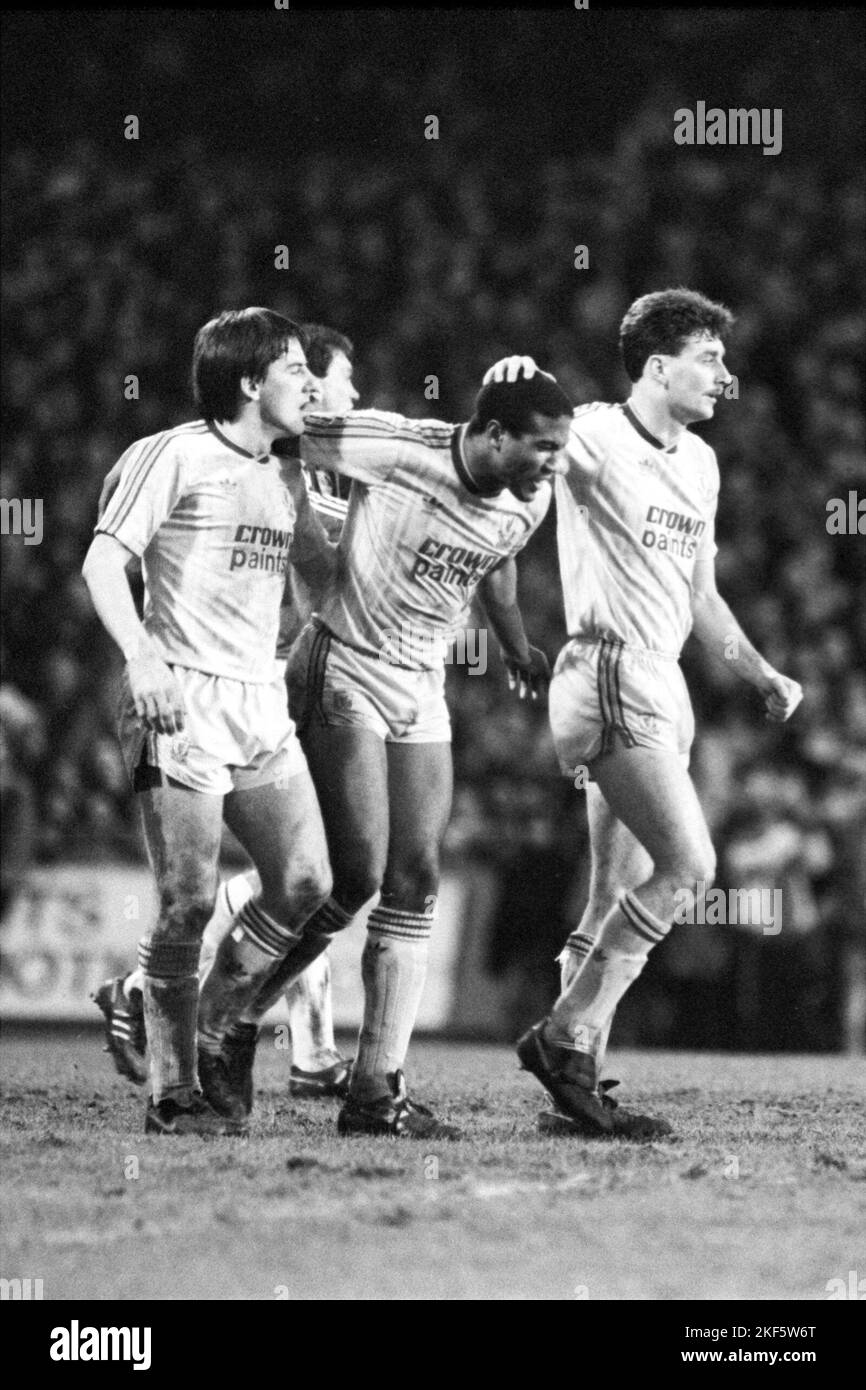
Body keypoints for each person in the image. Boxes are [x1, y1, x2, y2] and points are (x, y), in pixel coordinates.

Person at [206, 371, 575, 1138]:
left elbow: (499, 558)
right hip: (344, 662)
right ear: (494, 434)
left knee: (417, 877)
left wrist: (515, 644)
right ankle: (221, 1018)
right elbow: (279, 437)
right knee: (355, 874)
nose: (555, 462)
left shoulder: (530, 495)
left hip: (421, 686)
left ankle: (375, 1092)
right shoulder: (398, 445)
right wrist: (291, 533)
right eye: (543, 447)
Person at [486, 288, 803, 1139]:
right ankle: (562, 1039)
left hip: (663, 679)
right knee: (690, 869)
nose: (724, 375)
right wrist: (510, 386)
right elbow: (511, 454)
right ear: (658, 368)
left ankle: (575, 1087)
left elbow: (702, 596)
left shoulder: (701, 463)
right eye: (710, 359)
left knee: (613, 896)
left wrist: (760, 671)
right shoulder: (593, 433)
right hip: (608, 666)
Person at [82, 307, 335, 1135]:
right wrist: (141, 657)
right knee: (188, 901)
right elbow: (103, 561)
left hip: (258, 699)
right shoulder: (173, 454)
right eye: (295, 369)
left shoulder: (287, 477)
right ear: (251, 382)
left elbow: (323, 581)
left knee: (307, 882)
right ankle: (172, 1092)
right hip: (179, 698)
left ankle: (215, 1024)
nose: (309, 385)